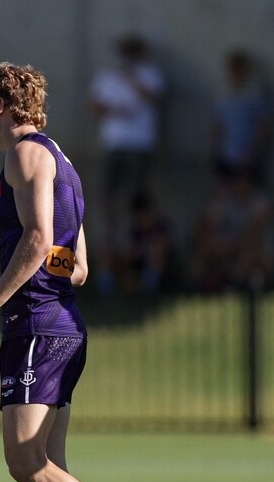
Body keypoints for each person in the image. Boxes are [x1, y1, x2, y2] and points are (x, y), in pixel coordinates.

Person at [0, 62, 154, 482]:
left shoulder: (23, 154)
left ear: (3, 105)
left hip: (38, 327)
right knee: (49, 463)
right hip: (62, 320)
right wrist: (3, 271)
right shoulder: (59, 158)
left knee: (24, 461)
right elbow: (74, 266)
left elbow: (40, 238)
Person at [89, 34, 165, 292]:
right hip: (113, 144)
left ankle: (142, 269)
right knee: (106, 201)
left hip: (139, 145)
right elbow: (96, 104)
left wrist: (132, 78)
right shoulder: (109, 76)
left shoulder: (150, 74)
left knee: (136, 203)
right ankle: (107, 270)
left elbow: (153, 97)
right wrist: (115, 110)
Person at [212, 50, 271, 187]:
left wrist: (253, 152)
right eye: (231, 70)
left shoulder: (255, 95)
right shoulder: (224, 94)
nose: (234, 74)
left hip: (248, 158)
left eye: (238, 70)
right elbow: (219, 124)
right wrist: (216, 149)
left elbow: (264, 126)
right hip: (226, 155)